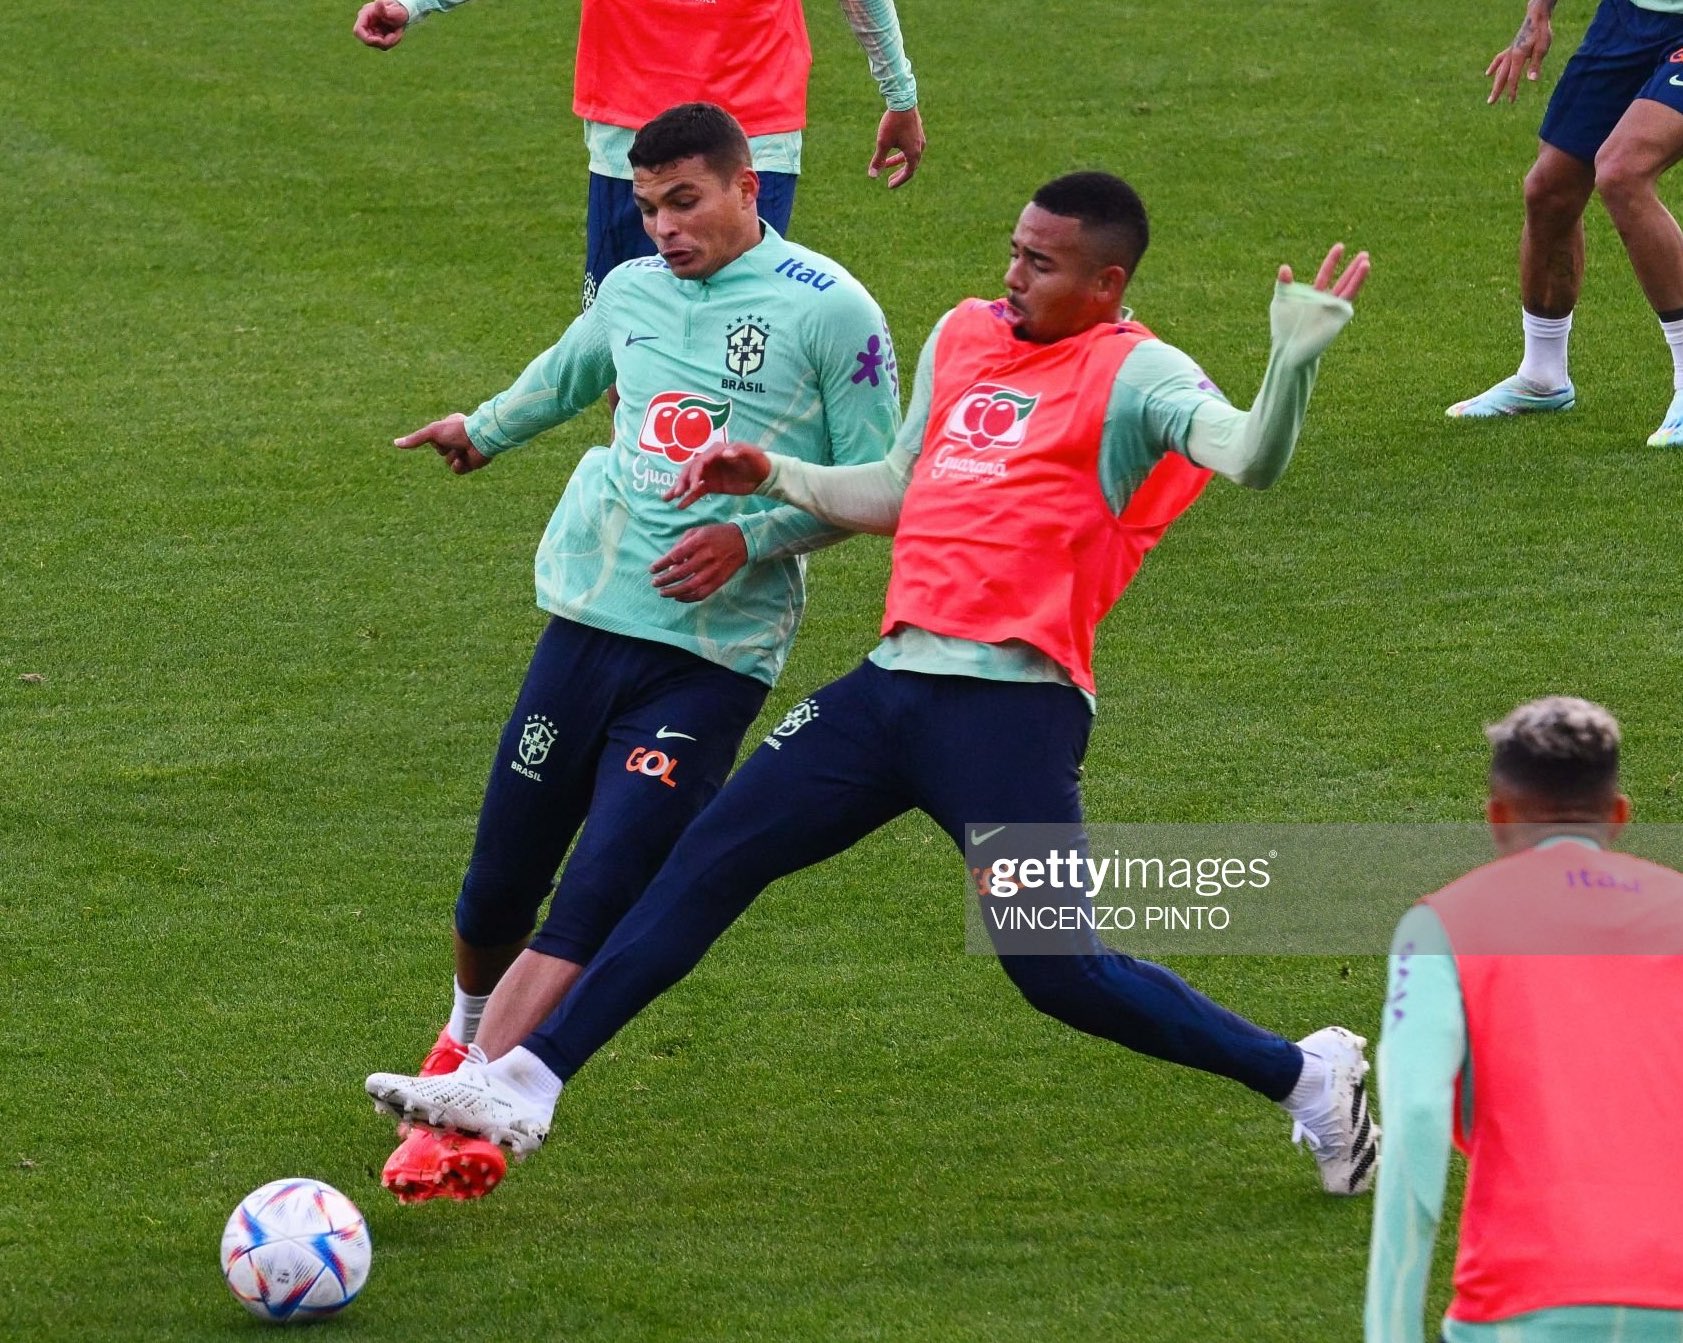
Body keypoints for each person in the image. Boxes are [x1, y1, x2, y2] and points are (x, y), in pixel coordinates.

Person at [366, 171, 1381, 1199]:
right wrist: (772, 474)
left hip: (1009, 715)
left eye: (1042, 262)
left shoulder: (1140, 376)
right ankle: (524, 1086)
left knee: (1059, 968)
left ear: (1106, 282)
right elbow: (897, 486)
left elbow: (1249, 455)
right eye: (1015, 248)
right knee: (706, 856)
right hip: (888, 691)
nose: (1013, 273)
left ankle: (1305, 1074)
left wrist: (1289, 365)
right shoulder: (967, 335)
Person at [372, 101, 901, 1203]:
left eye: (685, 201)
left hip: (711, 658)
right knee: (493, 887)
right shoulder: (631, 288)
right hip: (586, 619)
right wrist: (482, 429)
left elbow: (878, 490)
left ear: (748, 187)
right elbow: (566, 374)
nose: (663, 226)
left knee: (598, 890)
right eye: (649, 204)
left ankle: (467, 1110)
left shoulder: (833, 311)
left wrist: (745, 537)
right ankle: (461, 1039)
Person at [1365, 696, 1683, 1342]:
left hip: (1519, 1305)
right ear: (1618, 815)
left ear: (1495, 816)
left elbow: (1418, 1116)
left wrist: (1390, 1329)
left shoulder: (1439, 926)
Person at [353, 0, 925, 310]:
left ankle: (725, 513)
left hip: (751, 129)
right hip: (633, 129)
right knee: (623, 327)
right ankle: (646, 485)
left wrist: (900, 93)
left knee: (747, 326)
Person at [1448, 0, 1683, 446]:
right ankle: (1543, 375)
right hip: (1627, 18)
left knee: (1622, 172)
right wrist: (1537, 15)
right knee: (1549, 188)